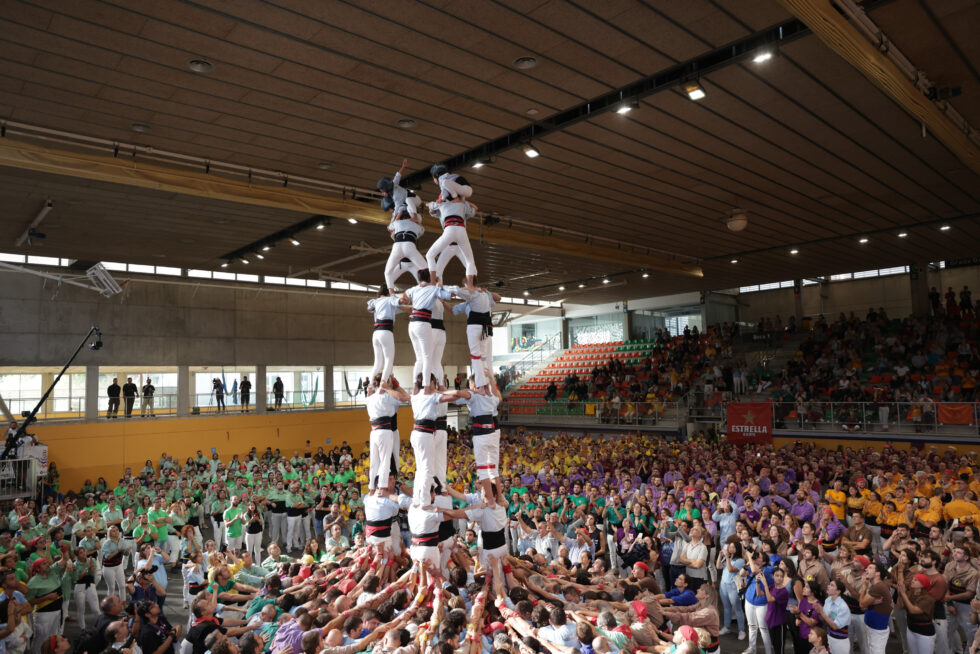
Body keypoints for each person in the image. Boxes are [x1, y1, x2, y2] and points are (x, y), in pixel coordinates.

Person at [425, 163, 477, 286]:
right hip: (461, 231)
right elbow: (475, 209)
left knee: (430, 255)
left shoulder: (441, 203)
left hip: (450, 233)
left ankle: (433, 284)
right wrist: (464, 201)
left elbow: (432, 208)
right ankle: (473, 288)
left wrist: (429, 204)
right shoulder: (462, 205)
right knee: (470, 262)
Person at [367, 287, 403, 384]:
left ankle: (370, 386)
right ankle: (383, 383)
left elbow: (369, 308)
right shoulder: (390, 300)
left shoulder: (376, 301)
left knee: (378, 362)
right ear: (389, 292)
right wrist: (394, 296)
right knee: (388, 360)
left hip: (376, 333)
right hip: (386, 331)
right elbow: (401, 302)